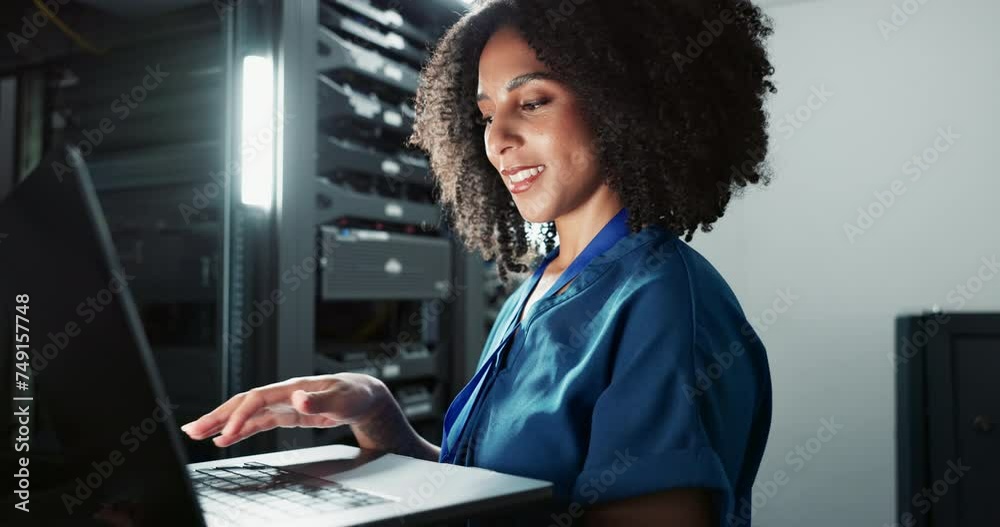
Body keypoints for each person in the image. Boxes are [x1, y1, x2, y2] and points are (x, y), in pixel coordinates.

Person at [182, 0, 778, 524]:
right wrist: (375, 408)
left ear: (628, 100)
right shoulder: (539, 289)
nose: (496, 139)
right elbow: (484, 499)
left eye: (533, 101)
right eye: (488, 113)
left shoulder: (665, 304)